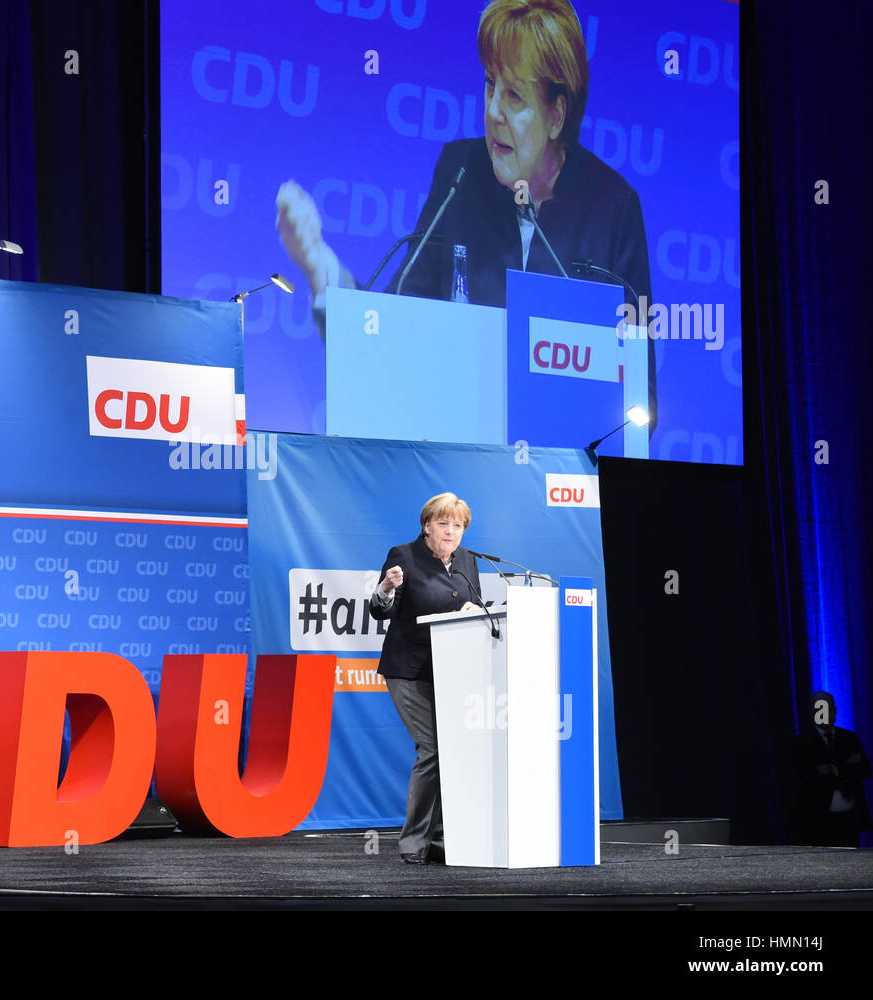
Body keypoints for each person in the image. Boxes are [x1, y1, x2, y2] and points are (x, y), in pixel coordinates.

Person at [276, 0, 657, 429]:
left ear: (556, 114)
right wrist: (322, 270)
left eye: (514, 96)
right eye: (491, 85)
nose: (493, 112)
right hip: (456, 462)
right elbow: (395, 325)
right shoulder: (461, 172)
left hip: (562, 473)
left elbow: (638, 394)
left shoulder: (613, 206)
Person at [368, 493, 482, 864]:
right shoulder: (403, 556)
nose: (451, 532)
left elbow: (475, 605)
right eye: (444, 524)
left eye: (458, 525)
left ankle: (444, 843)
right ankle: (414, 844)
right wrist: (386, 588)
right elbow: (380, 610)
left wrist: (473, 609)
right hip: (410, 669)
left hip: (454, 670)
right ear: (427, 526)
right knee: (433, 748)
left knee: (455, 751)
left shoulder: (467, 560)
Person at [791, 691, 872, 848]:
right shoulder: (801, 743)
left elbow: (866, 770)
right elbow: (804, 775)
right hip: (818, 819)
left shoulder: (850, 738)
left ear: (834, 711)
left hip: (850, 819)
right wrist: (847, 766)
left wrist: (833, 769)